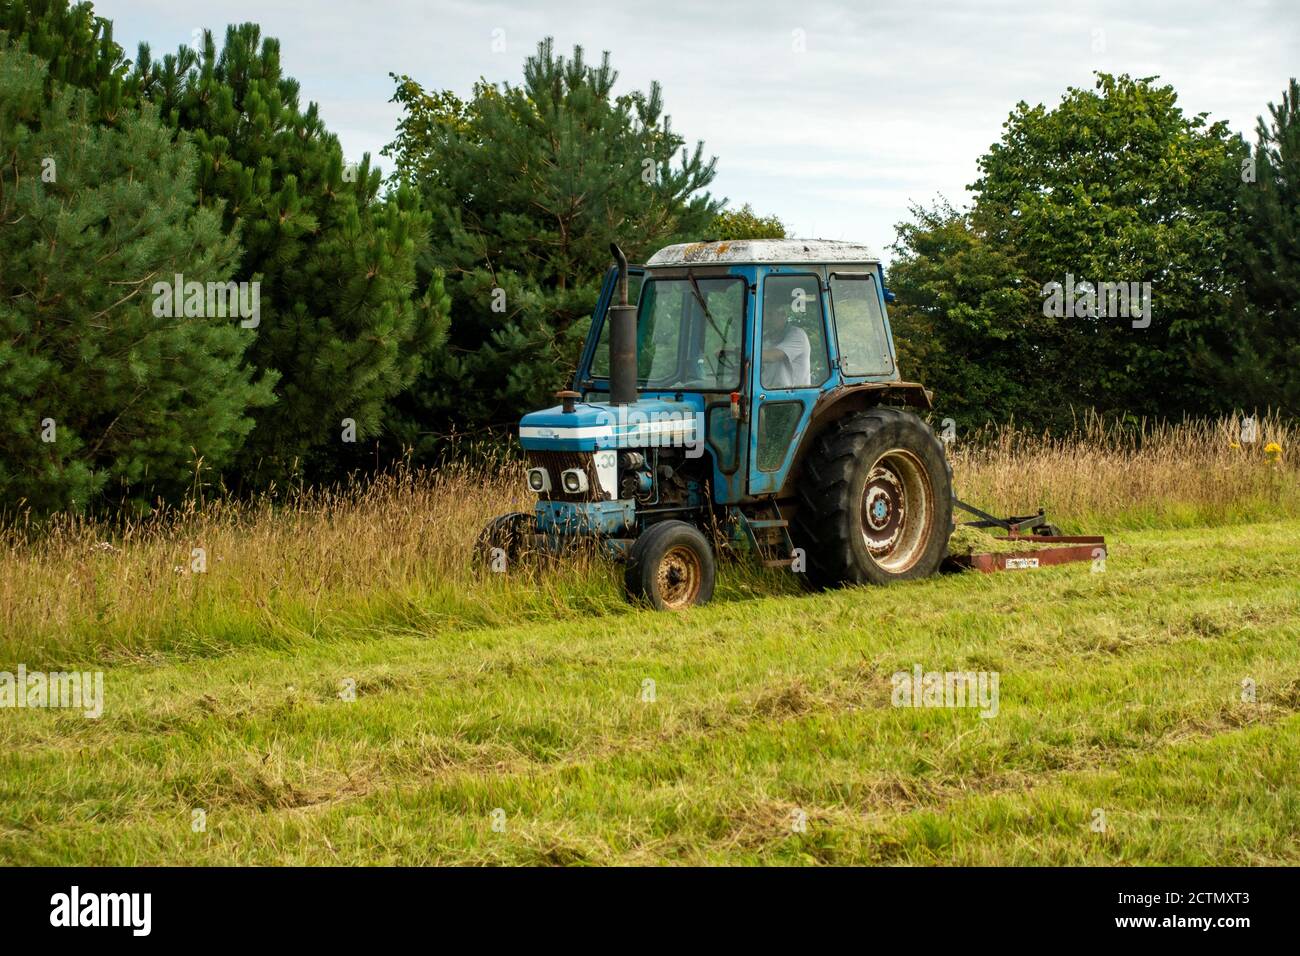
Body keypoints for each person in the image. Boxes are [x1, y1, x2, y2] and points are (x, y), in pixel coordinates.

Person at [761, 303, 811, 388]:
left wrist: (742, 355)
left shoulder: (797, 335)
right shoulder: (764, 338)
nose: (765, 319)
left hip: (792, 396)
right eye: (763, 315)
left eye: (770, 314)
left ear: (783, 315)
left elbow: (773, 356)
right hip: (768, 393)